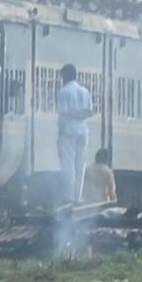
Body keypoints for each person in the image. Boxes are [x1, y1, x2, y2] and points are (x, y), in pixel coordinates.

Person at [48, 68, 101, 263]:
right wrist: (79, 115)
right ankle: (78, 197)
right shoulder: (85, 91)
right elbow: (89, 111)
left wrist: (60, 131)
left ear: (65, 76)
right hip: (83, 131)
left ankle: (69, 197)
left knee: (68, 165)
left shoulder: (63, 92)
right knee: (81, 165)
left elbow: (63, 114)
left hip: (68, 131)